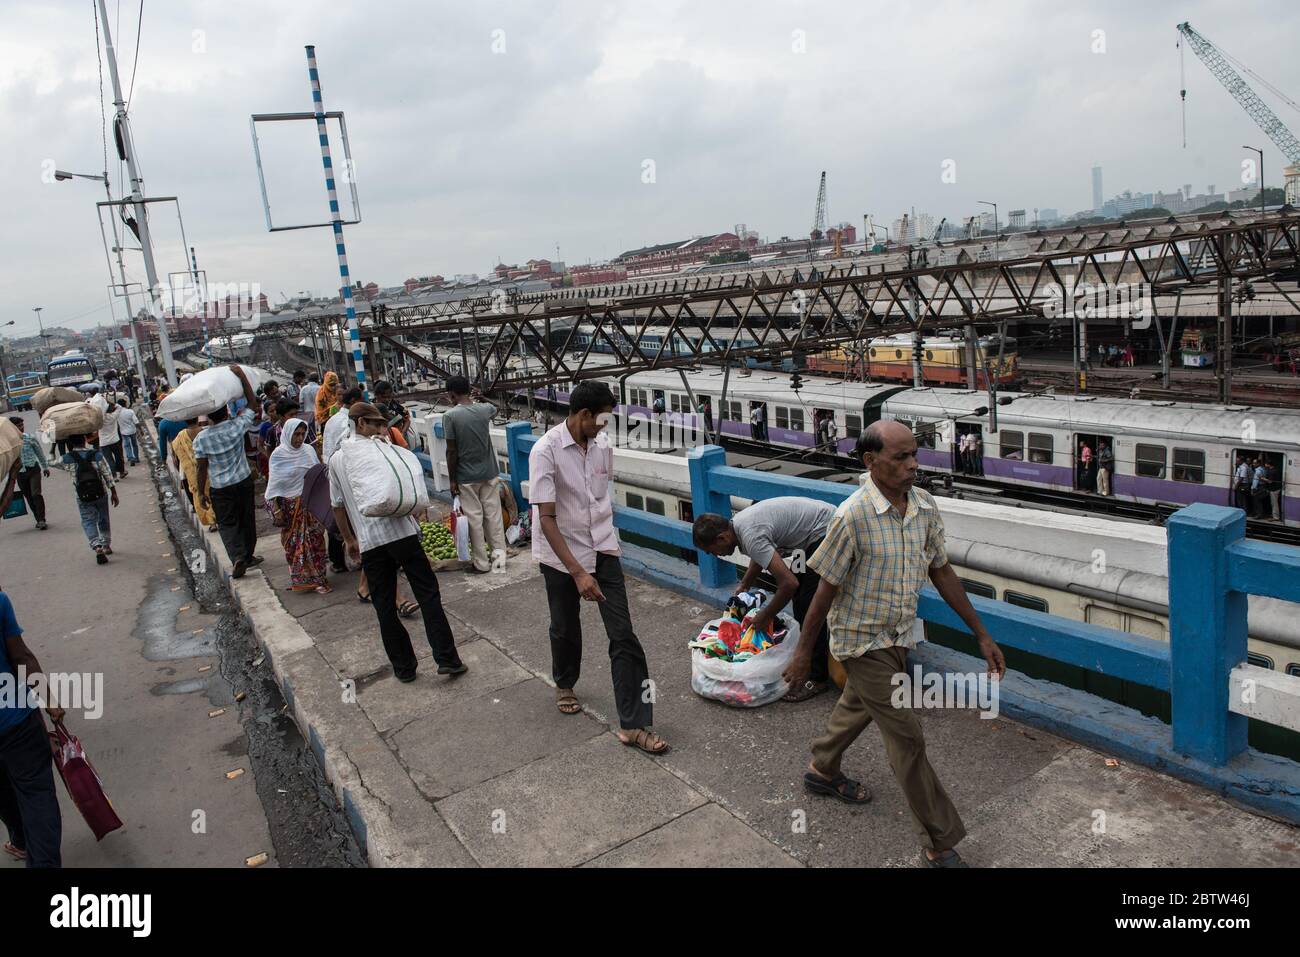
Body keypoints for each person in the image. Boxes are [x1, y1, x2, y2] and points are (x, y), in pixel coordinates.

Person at [783, 421, 1006, 868]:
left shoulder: (923, 506)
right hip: (861, 641)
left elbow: (941, 570)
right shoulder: (852, 516)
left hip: (899, 633)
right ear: (871, 462)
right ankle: (938, 840)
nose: (912, 466)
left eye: (914, 455)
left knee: (858, 705)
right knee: (907, 737)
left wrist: (981, 633)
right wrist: (804, 652)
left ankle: (822, 767)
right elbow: (823, 589)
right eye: (900, 458)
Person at [528, 381, 667, 753]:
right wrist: (577, 571)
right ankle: (565, 681)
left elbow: (600, 498)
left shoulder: (603, 446)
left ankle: (635, 724)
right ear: (584, 414)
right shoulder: (546, 451)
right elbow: (546, 518)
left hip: (603, 548)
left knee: (623, 634)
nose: (606, 426)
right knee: (565, 626)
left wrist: (598, 559)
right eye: (602, 418)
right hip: (560, 556)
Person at [330, 402, 467, 682]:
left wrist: (348, 538)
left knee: (384, 607)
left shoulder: (336, 460)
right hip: (402, 535)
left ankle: (405, 669)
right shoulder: (382, 450)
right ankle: (447, 659)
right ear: (359, 424)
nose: (381, 429)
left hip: (371, 542)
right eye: (375, 423)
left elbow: (337, 505)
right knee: (428, 595)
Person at [692, 496, 836, 702]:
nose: (714, 555)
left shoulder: (749, 534)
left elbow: (788, 583)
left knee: (808, 603)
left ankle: (817, 677)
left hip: (824, 532)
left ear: (722, 538)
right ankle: (810, 655)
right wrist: (745, 584)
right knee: (801, 597)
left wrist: (766, 615)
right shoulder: (740, 525)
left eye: (711, 551)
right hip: (808, 537)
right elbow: (761, 554)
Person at [0, 590, 65, 867]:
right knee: (37, 796)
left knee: (3, 790)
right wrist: (50, 701)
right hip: (15, 721)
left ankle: (21, 840)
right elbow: (21, 657)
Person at [195, 366, 262, 579]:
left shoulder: (201, 439)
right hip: (242, 481)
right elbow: (253, 404)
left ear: (210, 417)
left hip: (220, 487)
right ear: (226, 412)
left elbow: (201, 467)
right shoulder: (237, 426)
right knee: (247, 518)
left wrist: (201, 492)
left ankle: (237, 557)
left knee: (227, 523)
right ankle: (248, 555)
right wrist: (242, 377)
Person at [444, 376, 506, 575]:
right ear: (469, 390)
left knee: (475, 520)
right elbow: (498, 407)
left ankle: (481, 563)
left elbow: (451, 451)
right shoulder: (483, 409)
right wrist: (482, 397)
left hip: (466, 476)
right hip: (489, 473)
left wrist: (452, 479)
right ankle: (499, 562)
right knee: (494, 518)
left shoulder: (450, 416)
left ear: (452, 394)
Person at [266, 419, 332, 594]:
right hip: (290, 508)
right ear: (287, 434)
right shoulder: (278, 455)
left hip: (310, 505)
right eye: (296, 434)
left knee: (315, 541)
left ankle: (319, 579)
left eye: (303, 434)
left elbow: (318, 474)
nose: (300, 438)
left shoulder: (309, 450)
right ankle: (301, 577)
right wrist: (277, 510)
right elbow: (273, 485)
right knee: (294, 544)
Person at [57, 434, 118, 564]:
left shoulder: (67, 458)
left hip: (82, 496)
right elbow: (107, 473)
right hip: (100, 493)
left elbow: (50, 462)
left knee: (88, 520)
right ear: (85, 440)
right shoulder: (96, 454)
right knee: (103, 518)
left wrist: (52, 447)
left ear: (71, 444)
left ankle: (97, 546)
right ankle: (106, 544)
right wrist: (113, 492)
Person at [322, 387, 362, 573]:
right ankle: (356, 555)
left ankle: (338, 561)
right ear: (354, 401)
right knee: (351, 514)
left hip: (331, 469)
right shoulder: (350, 421)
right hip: (346, 470)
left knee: (337, 516)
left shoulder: (332, 420)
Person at [171, 418, 219, 531]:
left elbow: (176, 458)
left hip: (193, 474)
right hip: (210, 469)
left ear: (185, 421)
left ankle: (212, 523)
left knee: (201, 497)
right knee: (215, 494)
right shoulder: (205, 432)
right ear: (198, 419)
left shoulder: (179, 438)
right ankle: (219, 518)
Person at [8, 418, 49, 530]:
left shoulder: (29, 438)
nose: (21, 427)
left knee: (36, 494)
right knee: (29, 497)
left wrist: (45, 467)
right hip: (20, 473)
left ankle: (42, 519)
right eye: (18, 426)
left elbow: (39, 452)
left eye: (22, 425)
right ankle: (38, 519)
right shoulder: (7, 442)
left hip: (33, 470)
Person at [96, 397, 126, 479]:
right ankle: (122, 472)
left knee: (109, 459)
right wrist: (108, 402)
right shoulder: (113, 416)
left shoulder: (98, 420)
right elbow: (119, 407)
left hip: (104, 443)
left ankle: (114, 476)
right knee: (118, 457)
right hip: (115, 440)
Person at [116, 398, 140, 466]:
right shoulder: (130, 411)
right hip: (132, 430)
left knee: (127, 445)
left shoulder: (117, 413)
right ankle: (137, 458)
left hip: (123, 432)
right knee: (134, 444)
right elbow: (136, 422)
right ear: (125, 404)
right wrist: (140, 430)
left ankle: (131, 458)